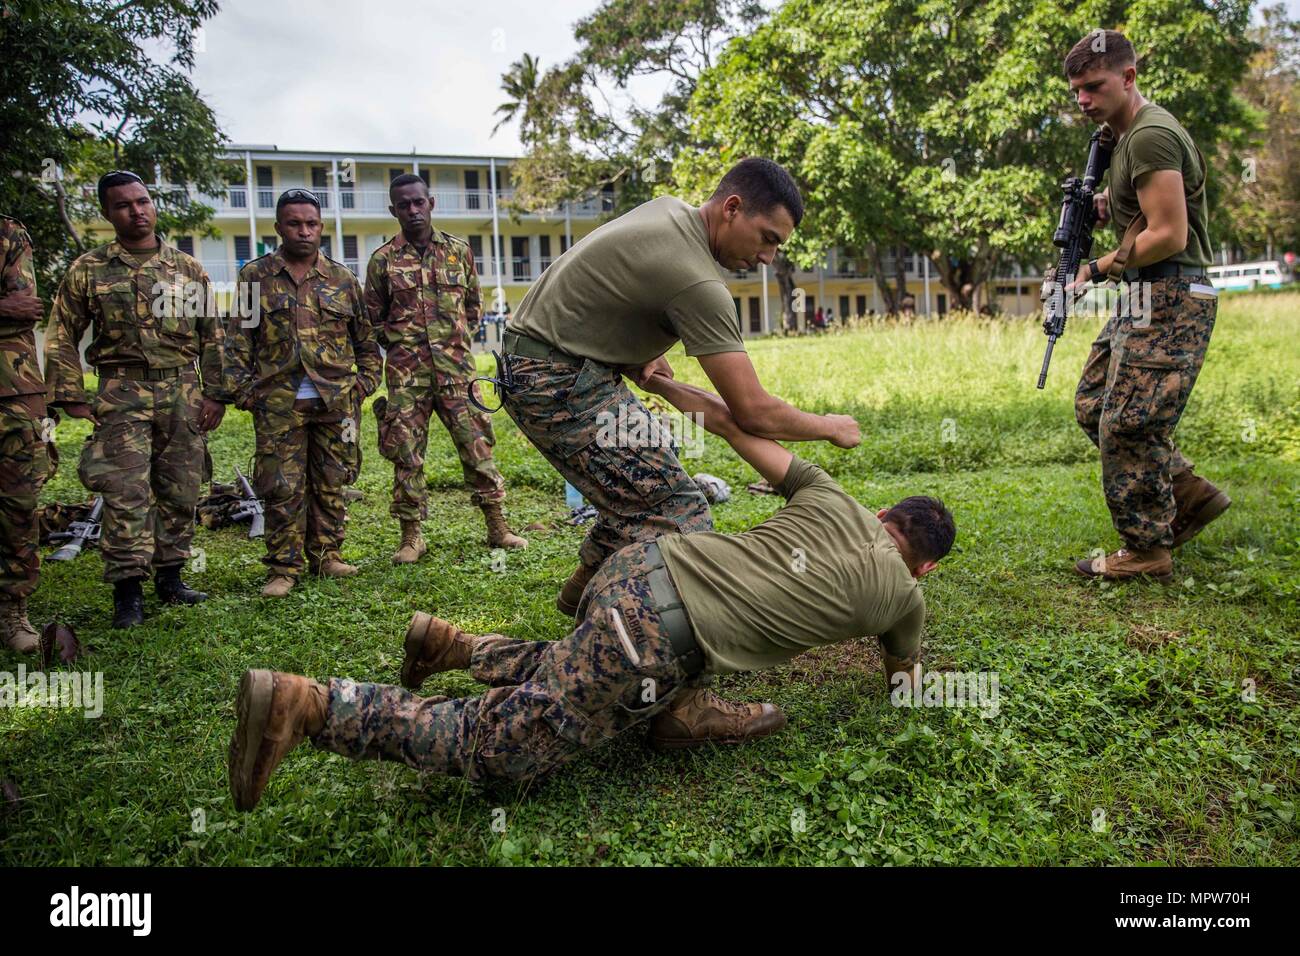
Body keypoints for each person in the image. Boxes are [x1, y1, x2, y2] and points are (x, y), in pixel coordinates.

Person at [227, 372, 953, 810]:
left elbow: (733, 422)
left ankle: (455, 645)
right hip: (656, 639)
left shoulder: (830, 493)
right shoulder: (907, 599)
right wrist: (907, 667)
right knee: (505, 751)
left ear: (885, 515)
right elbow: (902, 682)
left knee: (588, 660)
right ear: (922, 566)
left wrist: (663, 381)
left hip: (637, 565)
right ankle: (317, 706)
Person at [497, 157, 861, 617]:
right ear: (732, 207)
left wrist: (633, 340)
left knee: (641, 487)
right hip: (554, 379)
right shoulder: (697, 282)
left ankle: (579, 601)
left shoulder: (670, 209)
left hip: (549, 361)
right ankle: (624, 636)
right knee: (679, 511)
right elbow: (753, 411)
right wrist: (830, 426)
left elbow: (614, 277)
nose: (768, 258)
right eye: (768, 238)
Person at [1062, 30, 1228, 583]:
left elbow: (1171, 234)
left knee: (1129, 425)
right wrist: (1117, 201)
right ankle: (1187, 494)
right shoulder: (1126, 137)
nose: (1083, 99)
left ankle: (1147, 548)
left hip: (1170, 294)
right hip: (1144, 293)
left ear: (1128, 77)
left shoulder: (1150, 136)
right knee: (1093, 403)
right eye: (1076, 90)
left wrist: (1095, 268)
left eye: (1093, 86)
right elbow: (1150, 213)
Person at [45, 171, 227, 628]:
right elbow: (60, 333)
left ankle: (171, 577)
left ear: (153, 204)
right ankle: (128, 592)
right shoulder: (89, 269)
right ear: (108, 214)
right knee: (125, 491)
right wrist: (70, 394)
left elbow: (213, 335)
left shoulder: (186, 269)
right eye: (124, 205)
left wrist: (217, 394)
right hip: (120, 391)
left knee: (181, 487)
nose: (137, 211)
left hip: (181, 390)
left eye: (143, 201)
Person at [224, 188, 382, 597]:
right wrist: (245, 394)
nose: (303, 231)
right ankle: (284, 567)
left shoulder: (343, 280)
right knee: (281, 485)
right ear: (278, 228)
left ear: (322, 227)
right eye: (294, 224)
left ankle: (327, 555)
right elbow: (237, 341)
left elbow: (366, 342)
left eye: (311, 224)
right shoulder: (255, 278)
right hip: (279, 401)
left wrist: (363, 383)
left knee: (333, 479)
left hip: (336, 401)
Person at [364, 174, 525, 563]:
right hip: (407, 377)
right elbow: (372, 320)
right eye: (404, 205)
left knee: (477, 447)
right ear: (394, 210)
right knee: (406, 454)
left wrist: (450, 345)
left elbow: (473, 309)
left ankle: (497, 526)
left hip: (458, 373)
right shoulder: (382, 261)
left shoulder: (458, 251)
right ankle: (411, 537)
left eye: (419, 202)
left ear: (431, 203)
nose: (413, 210)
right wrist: (405, 348)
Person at [0, 215, 50, 651]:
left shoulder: (7, 231)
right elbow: (9, 309)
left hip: (12, 390)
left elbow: (25, 311)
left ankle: (12, 609)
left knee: (19, 501)